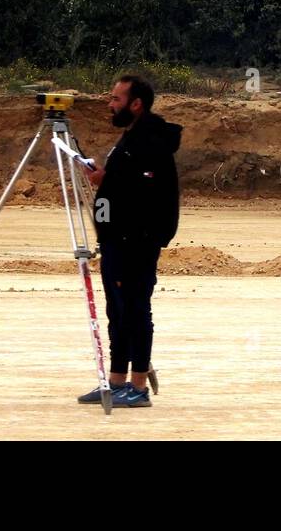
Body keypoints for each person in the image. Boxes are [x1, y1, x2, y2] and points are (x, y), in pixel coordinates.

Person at [76, 74, 181, 409]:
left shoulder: (151, 141)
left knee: (136, 309)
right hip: (116, 240)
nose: (110, 105)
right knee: (117, 311)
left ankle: (138, 387)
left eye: (116, 99)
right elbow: (126, 183)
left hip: (137, 240)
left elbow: (147, 191)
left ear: (136, 104)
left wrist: (109, 179)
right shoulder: (131, 138)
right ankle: (116, 380)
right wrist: (105, 178)